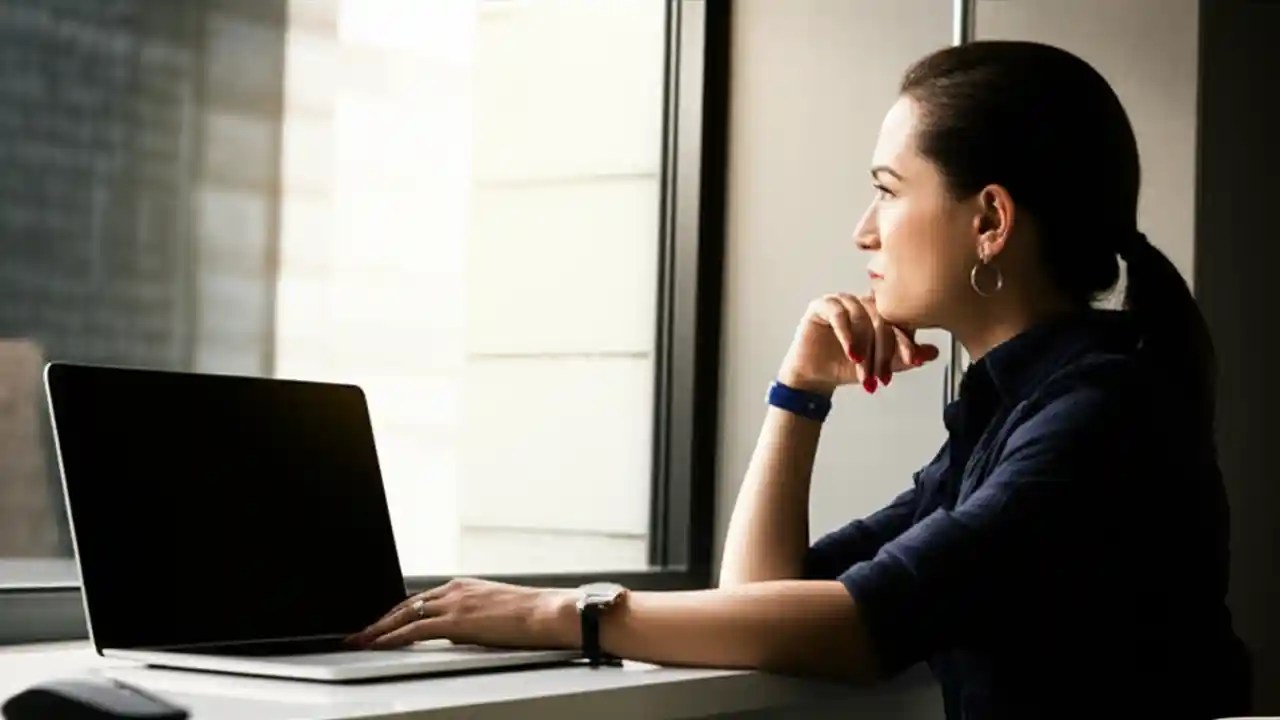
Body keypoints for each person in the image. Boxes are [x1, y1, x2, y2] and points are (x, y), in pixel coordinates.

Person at [347, 41, 1251, 719]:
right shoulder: (1012, 412)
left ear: (990, 222)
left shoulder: (1102, 416)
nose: (864, 230)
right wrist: (799, 391)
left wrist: (560, 612)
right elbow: (759, 597)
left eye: (888, 190)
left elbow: (863, 626)